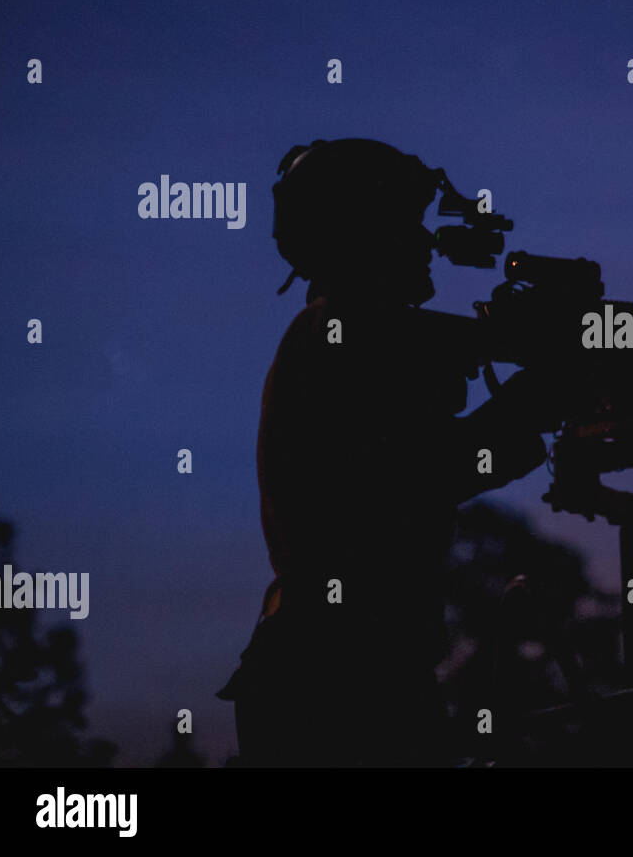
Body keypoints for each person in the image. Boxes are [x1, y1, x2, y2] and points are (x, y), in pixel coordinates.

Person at [218, 138, 557, 766]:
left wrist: (530, 395)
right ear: (363, 236)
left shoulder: (348, 336)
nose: (427, 243)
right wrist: (536, 396)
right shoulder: (340, 334)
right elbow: (420, 472)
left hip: (344, 668)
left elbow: (432, 459)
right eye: (408, 225)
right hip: (338, 677)